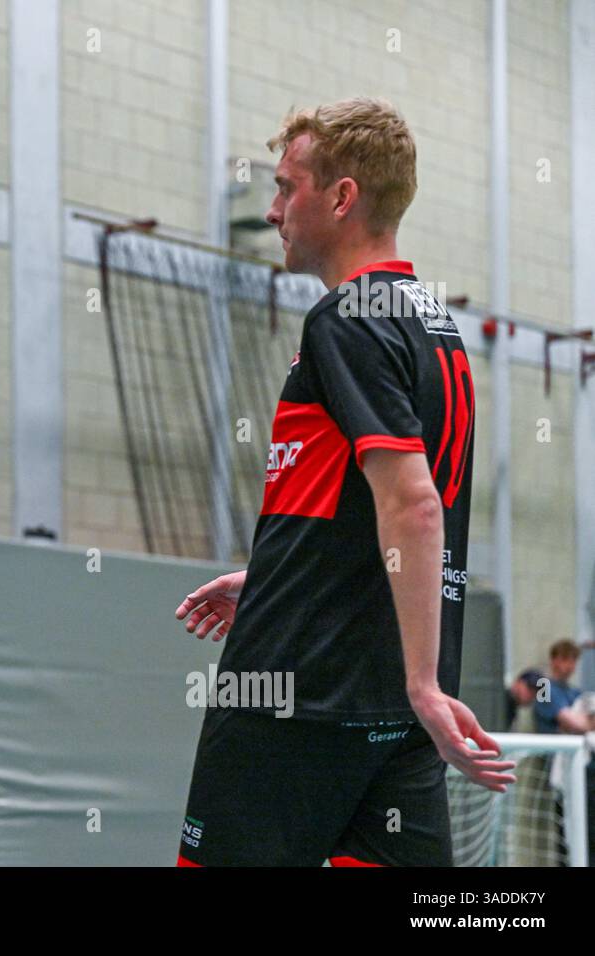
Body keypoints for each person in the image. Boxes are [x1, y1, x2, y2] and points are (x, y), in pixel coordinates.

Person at [172, 98, 515, 867]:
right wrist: (275, 575)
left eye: (288, 186)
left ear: (341, 196)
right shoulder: (432, 324)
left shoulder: (347, 317)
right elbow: (372, 512)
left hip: (298, 693)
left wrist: (426, 683)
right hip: (385, 709)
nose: (272, 209)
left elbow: (414, 505)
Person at [533, 640, 592, 735]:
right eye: (565, 659)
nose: (570, 665)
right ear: (553, 660)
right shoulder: (543, 689)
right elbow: (574, 723)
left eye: (573, 660)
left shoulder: (575, 692)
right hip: (551, 747)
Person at [505, 668, 545, 733]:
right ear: (518, 682)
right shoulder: (501, 700)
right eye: (529, 688)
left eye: (536, 692)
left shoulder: (512, 706)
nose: (531, 694)